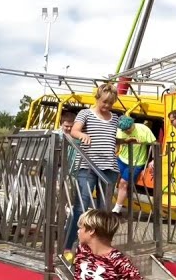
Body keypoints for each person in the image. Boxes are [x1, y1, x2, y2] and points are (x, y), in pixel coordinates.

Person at [65, 84, 121, 250]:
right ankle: (69, 245)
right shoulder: (86, 113)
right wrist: (82, 134)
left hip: (109, 166)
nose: (107, 106)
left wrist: (126, 139)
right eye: (104, 102)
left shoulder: (115, 118)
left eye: (110, 103)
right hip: (87, 166)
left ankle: (99, 247)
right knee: (81, 206)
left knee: (104, 210)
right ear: (97, 98)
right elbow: (74, 131)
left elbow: (113, 137)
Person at [72, 209, 142, 280]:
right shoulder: (82, 249)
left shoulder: (120, 262)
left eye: (81, 228)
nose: (78, 231)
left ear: (91, 231)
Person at [113, 116, 155, 213]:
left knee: (124, 182)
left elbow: (154, 144)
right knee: (112, 179)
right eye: (124, 130)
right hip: (121, 158)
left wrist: (153, 159)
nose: (127, 132)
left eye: (129, 129)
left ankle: (116, 210)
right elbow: (117, 143)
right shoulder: (120, 130)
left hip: (136, 162)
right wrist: (114, 154)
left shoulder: (144, 129)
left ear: (133, 124)